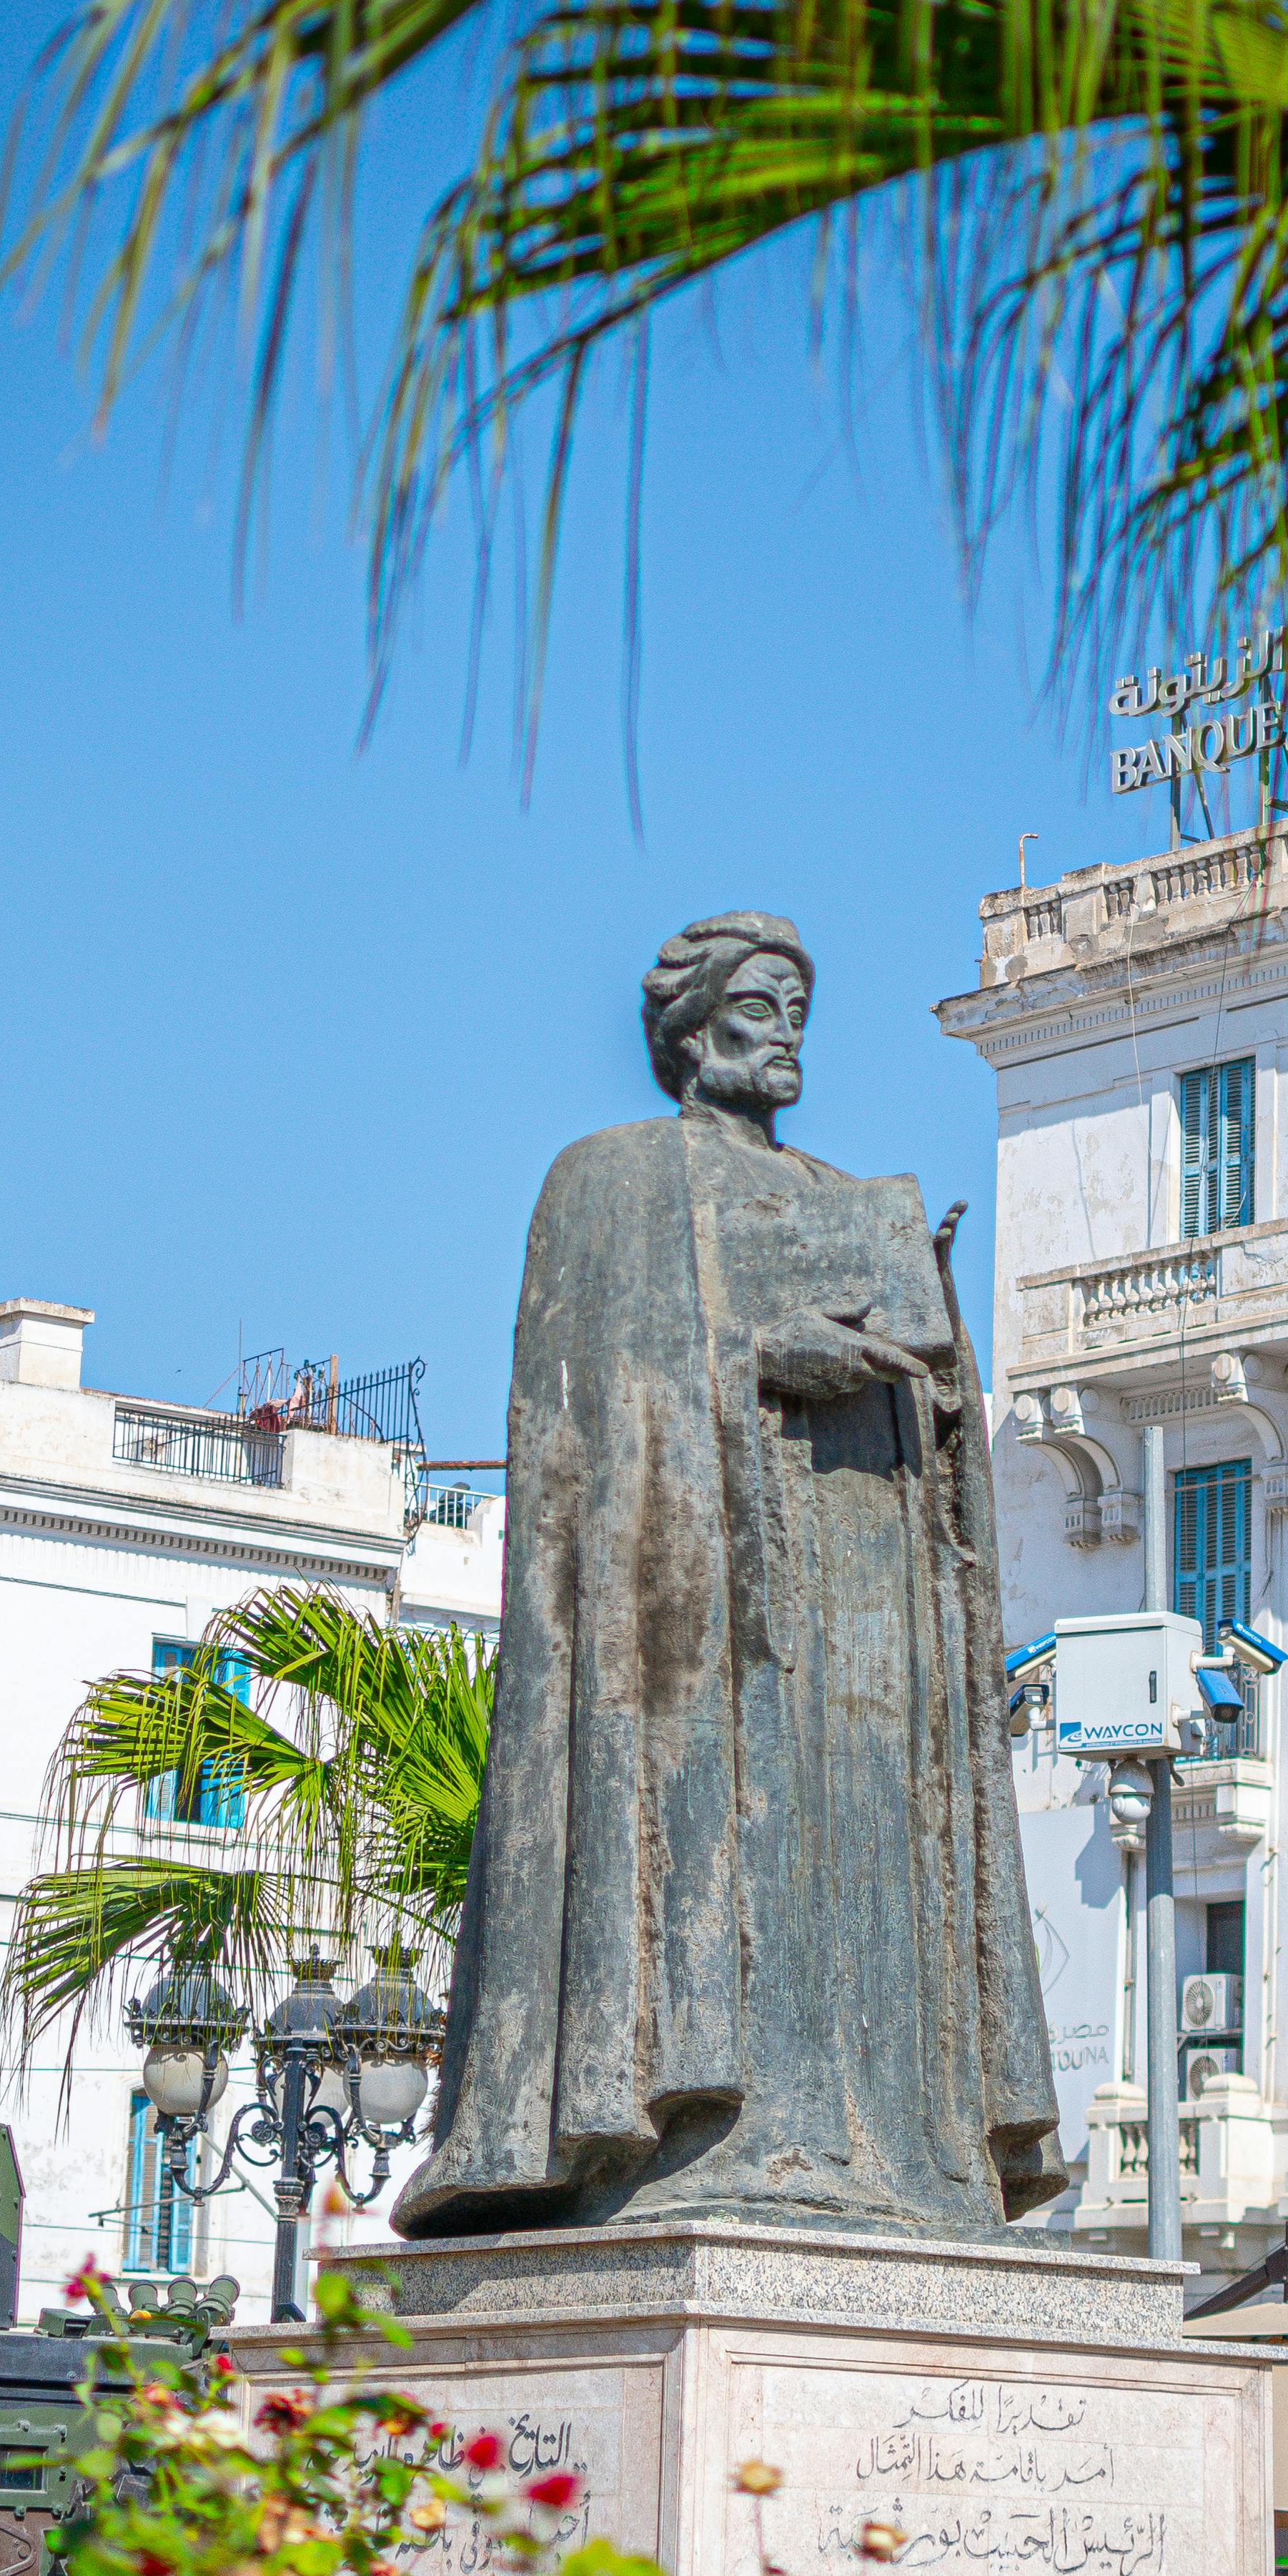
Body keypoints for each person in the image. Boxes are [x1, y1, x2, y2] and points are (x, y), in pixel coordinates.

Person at [395, 911, 1064, 2240]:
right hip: (700, 1614)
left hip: (867, 1598)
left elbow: (941, 1409)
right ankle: (722, 2139)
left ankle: (903, 2152)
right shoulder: (614, 1181)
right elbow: (592, 1408)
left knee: (870, 1848)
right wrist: (759, 1356)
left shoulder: (841, 1197)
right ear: (692, 1037)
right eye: (760, 1008)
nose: (786, 1034)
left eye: (799, 1011)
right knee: (738, 1852)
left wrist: (928, 1358)